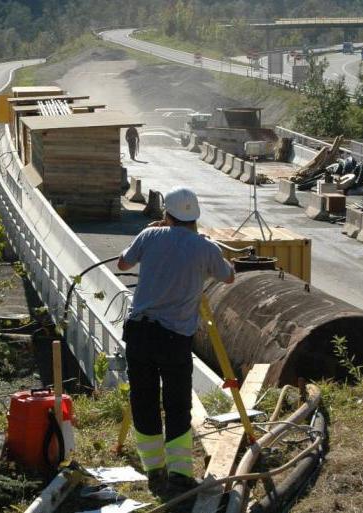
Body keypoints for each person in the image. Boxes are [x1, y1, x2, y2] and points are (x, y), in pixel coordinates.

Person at [117, 186, 234, 494]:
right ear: (195, 218)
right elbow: (228, 276)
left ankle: (154, 470)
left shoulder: (149, 236)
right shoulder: (205, 247)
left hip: (140, 332)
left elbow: (123, 264)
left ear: (166, 214)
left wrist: (150, 233)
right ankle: (180, 473)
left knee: (143, 400)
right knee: (177, 403)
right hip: (174, 339)